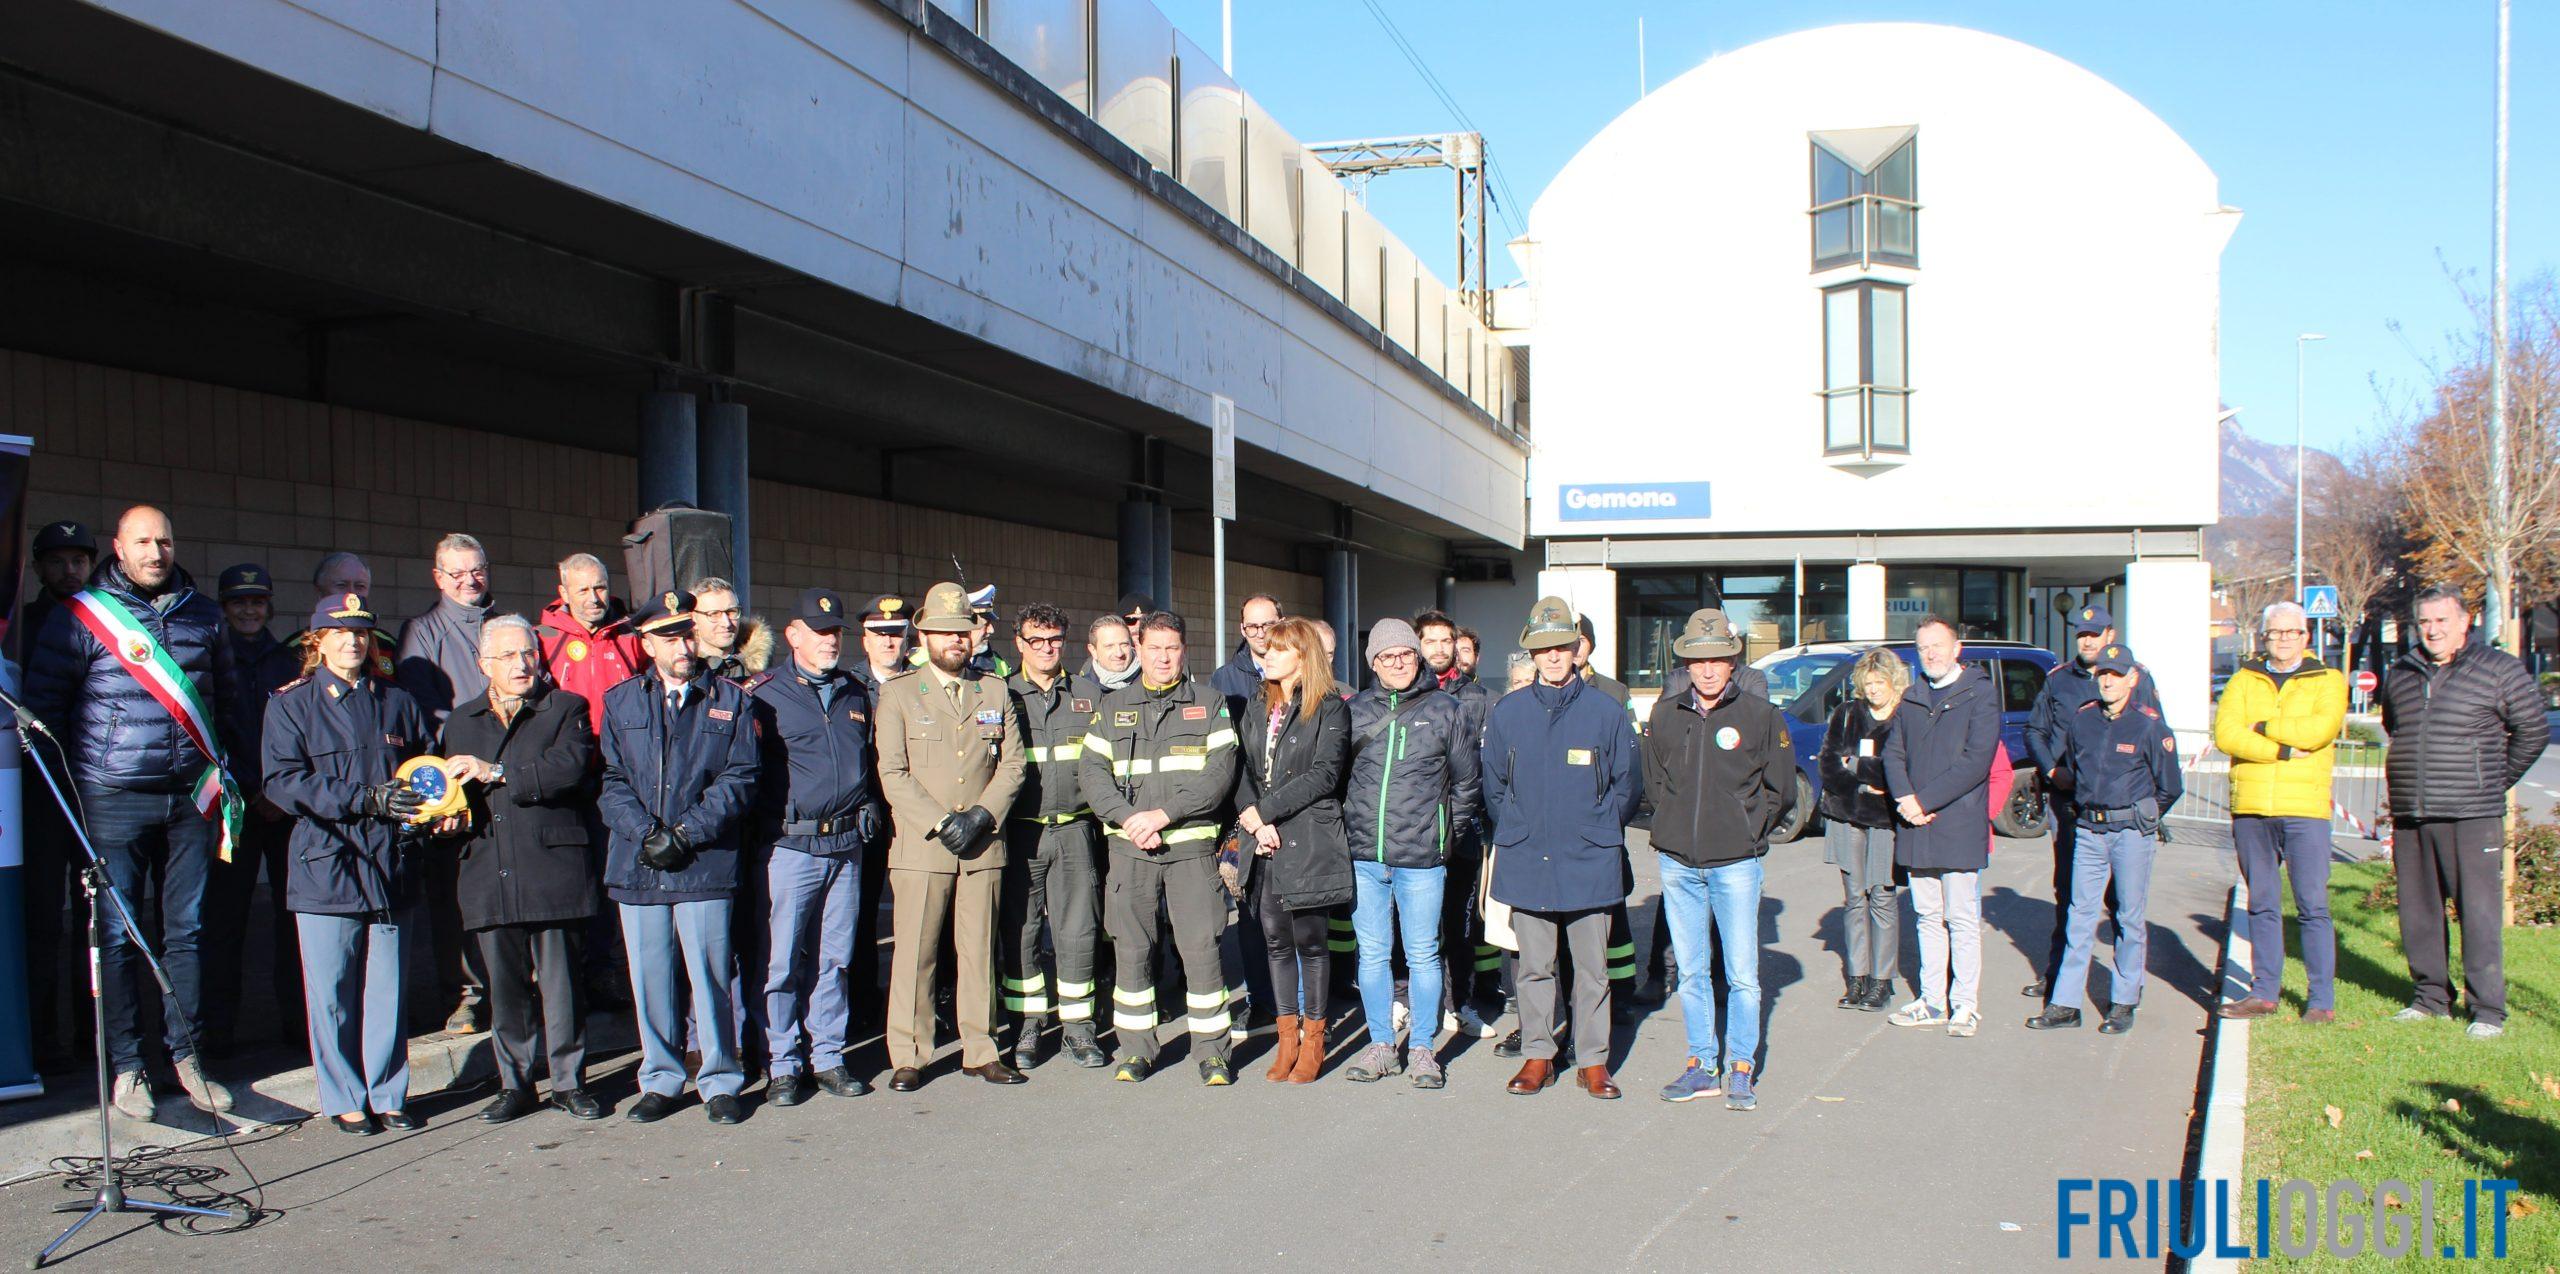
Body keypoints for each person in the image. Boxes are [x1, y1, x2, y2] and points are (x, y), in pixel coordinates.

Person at [24, 505, 235, 1116]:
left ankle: (188, 1057)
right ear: (118, 547)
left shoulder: (204, 614)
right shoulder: (81, 618)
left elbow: (225, 702)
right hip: (111, 797)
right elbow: (45, 716)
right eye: (142, 541)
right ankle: (128, 1067)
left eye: (164, 541)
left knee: (186, 932)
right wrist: (74, 795)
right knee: (116, 936)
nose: (155, 552)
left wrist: (238, 776)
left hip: (191, 797)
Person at [260, 592, 431, 1134]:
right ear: (318, 641)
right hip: (326, 862)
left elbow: (428, 770)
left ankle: (387, 1092)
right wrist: (364, 799)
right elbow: (283, 782)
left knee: (387, 989)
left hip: (389, 863)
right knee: (331, 994)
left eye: (361, 633)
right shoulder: (291, 704)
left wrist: (433, 811)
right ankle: (343, 1097)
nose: (353, 641)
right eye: (340, 632)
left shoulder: (397, 702)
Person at [434, 614, 605, 1123]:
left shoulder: (565, 707)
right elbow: (452, 793)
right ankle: (515, 1084)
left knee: (561, 985)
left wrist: (498, 772)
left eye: (527, 653)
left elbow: (569, 768)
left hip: (550, 865)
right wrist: (448, 817)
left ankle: (570, 1082)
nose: (521, 664)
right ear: (483, 663)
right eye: (507, 656)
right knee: (506, 989)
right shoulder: (461, 722)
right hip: (490, 868)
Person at [597, 589, 759, 1124]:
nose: (683, 645)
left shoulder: (730, 699)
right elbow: (612, 780)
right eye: (669, 636)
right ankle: (661, 1078)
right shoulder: (621, 702)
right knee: (650, 976)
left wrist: (686, 834)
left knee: (711, 976)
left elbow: (740, 778)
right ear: (645, 644)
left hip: (704, 862)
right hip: (639, 862)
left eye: (687, 632)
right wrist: (647, 832)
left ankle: (719, 1079)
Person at [1483, 597, 1642, 1100]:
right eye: (1542, 648)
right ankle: (1538, 1054)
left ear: (1577, 649)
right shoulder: (1508, 712)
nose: (1552, 657)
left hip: (1588, 858)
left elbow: (1627, 786)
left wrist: (1594, 829)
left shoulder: (1606, 711)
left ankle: (1593, 1060)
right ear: (1531, 653)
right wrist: (1519, 827)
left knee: (1592, 970)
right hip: (1528, 855)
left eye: (1561, 647)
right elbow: (1494, 789)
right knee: (1533, 968)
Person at [874, 582, 1028, 1092]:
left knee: (978, 950)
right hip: (924, 846)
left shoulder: (995, 690)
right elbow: (893, 773)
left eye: (962, 631)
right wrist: (944, 823)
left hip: (982, 843)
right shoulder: (897, 694)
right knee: (916, 953)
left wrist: (983, 816)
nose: (954, 640)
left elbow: (1013, 763)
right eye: (943, 632)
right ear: (924, 636)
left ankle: (980, 1049)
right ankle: (910, 1053)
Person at [1078, 610, 1242, 1085]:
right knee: (1132, 949)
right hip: (1131, 851)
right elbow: (1092, 773)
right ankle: (1136, 1050)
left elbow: (1219, 776)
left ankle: (1212, 1052)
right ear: (1139, 649)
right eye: (1154, 648)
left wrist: (1163, 815)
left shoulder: (1210, 704)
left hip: (1190, 851)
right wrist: (1129, 817)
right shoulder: (1113, 708)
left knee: (1201, 949)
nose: (1163, 657)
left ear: (1183, 650)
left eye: (1172, 648)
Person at [2378, 585, 2548, 1039]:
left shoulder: (2499, 670)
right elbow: (2396, 725)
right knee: (2418, 912)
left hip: (2472, 814)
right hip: (2413, 811)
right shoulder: (2403, 672)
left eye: (2442, 621)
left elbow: (2531, 730)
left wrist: (2492, 781)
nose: (2432, 630)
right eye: (2425, 621)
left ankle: (2488, 1009)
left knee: (2478, 912)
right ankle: (2431, 998)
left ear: (2464, 622)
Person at [1644, 608, 1792, 1111]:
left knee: (1743, 974)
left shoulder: (1760, 715)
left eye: (1718, 659)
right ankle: (1701, 1063)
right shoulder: (1664, 715)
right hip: (1679, 864)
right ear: (1684, 664)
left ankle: (1740, 1067)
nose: (1707, 670)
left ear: (1733, 661)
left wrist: (1747, 830)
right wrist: (1674, 825)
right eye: (1697, 660)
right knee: (1690, 971)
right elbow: (1654, 785)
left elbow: (1781, 791)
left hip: (1735, 863)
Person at [746, 588, 884, 1105]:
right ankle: (783, 1062)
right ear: (794, 636)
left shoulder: (853, 691)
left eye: (836, 632)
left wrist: (868, 800)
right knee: (781, 961)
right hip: (791, 847)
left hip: (846, 845)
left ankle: (827, 1055)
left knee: (835, 959)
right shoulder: (763, 693)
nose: (831, 641)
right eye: (820, 632)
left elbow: (864, 762)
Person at [1338, 618, 1478, 1088]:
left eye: (1404, 654)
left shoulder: (1446, 709)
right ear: (1372, 663)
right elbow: (1338, 782)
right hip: (1365, 856)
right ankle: (1381, 1044)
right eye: (1386, 656)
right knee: (1373, 955)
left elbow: (1466, 784)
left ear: (1416, 657)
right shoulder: (1354, 710)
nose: (1397, 662)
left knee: (1422, 954)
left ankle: (1422, 1049)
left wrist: (1445, 837)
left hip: (1422, 858)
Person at [2027, 642, 2181, 1035]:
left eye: (2116, 674)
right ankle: (2065, 1003)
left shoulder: (2149, 726)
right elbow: (2073, 768)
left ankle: (2123, 1001)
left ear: (2132, 679)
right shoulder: (2084, 720)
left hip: (2130, 832)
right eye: (2103, 674)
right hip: (2089, 831)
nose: (2108, 681)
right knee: (2079, 915)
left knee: (2128, 916)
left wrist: (2142, 817)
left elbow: (2169, 787)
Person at [1230, 617, 1353, 1084]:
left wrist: (1265, 812)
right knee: (1276, 941)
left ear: (1303, 656)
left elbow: (1324, 774)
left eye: (1278, 650)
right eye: (1266, 650)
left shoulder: (1330, 708)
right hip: (1262, 839)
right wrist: (1252, 818)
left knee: (1311, 943)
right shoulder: (1259, 705)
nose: (1266, 656)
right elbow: (1238, 766)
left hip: (1307, 838)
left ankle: (1314, 1042)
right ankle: (1286, 1040)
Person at [2211, 602, 2347, 1024]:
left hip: (2304, 810)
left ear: (2306, 637)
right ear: (2263, 636)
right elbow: (2226, 734)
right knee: (2262, 904)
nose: (2284, 639)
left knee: (2313, 906)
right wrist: (2285, 749)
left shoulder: (2328, 679)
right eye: (2276, 632)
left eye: (2293, 632)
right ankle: (2264, 992)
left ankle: (2321, 1001)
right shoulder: (2243, 680)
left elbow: (2319, 732)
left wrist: (2263, 727)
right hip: (2251, 808)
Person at [395, 532, 499, 1037]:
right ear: (438, 577)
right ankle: (465, 995)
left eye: (475, 569)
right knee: (453, 899)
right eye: (456, 573)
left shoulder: (505, 626)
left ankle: (514, 988)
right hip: (454, 786)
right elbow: (423, 720)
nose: (468, 580)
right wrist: (444, 794)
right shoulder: (423, 631)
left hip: (503, 778)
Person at [1001, 603, 1109, 1070]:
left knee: (1078, 933)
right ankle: (1027, 1027)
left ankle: (1079, 1029)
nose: (1047, 649)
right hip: (1020, 834)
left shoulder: (1089, 693)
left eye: (1055, 640)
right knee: (1021, 933)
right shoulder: (1000, 694)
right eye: (1036, 641)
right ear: (1019, 644)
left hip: (1076, 830)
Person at [1884, 617, 2001, 1037]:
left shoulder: (1980, 694)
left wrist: (1923, 801)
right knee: (1927, 916)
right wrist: (1906, 801)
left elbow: (1976, 761)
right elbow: (1892, 755)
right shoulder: (1912, 698)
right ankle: (1932, 1000)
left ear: (1957, 648)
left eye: (1937, 645)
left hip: (1958, 821)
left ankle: (1965, 1003)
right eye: (1922, 647)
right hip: (1917, 825)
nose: (1930, 653)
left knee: (1962, 918)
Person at [200, 563, 297, 1057]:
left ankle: (298, 1025)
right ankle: (218, 1032)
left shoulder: (291, 660)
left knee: (292, 916)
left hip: (285, 809)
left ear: (269, 606)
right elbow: (211, 731)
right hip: (235, 807)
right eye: (239, 602)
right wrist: (251, 787)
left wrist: (278, 790)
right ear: (224, 607)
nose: (249, 610)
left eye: (257, 601)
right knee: (225, 920)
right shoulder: (213, 658)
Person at [13, 520, 95, 1066]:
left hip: (94, 787)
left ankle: (94, 1040)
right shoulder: (20, 625)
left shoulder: (110, 621)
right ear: (39, 568)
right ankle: (40, 1038)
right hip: (39, 789)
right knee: (42, 918)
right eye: (58, 561)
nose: (69, 570)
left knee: (96, 917)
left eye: (79, 560)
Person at [1413, 610, 1499, 1033]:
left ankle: (1459, 1003)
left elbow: (1483, 767)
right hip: (1415, 831)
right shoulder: (1409, 696)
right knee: (1413, 925)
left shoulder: (1479, 699)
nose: (1440, 648)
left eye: (1447, 640)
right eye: (1430, 641)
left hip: (1462, 830)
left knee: (1460, 924)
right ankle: (1407, 1000)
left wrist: (1466, 820)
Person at [1818, 647, 1908, 1014]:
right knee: (1854, 897)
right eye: (1867, 683)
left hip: (1886, 819)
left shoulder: (1904, 716)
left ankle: (1881, 981)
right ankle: (1857, 977)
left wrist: (1854, 764)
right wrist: (1863, 774)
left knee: (1882, 897)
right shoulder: (1846, 713)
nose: (1872, 690)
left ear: (1893, 681)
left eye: (1879, 683)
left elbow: (1898, 771)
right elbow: (1827, 763)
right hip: (1845, 813)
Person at [538, 553, 644, 736]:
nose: (594, 598)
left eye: (600, 588)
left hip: (623, 749)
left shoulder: (632, 635)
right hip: (569, 749)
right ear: (564, 593)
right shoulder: (543, 639)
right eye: (583, 590)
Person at [1210, 593, 1282, 715]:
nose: (1261, 634)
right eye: (1252, 627)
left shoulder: (1300, 674)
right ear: (1243, 629)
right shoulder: (1223, 678)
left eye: (1268, 625)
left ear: (1282, 624)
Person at [691, 576, 772, 684]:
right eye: (714, 614)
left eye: (731, 612)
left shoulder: (763, 672)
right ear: (693, 619)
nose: (726, 623)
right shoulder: (684, 672)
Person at [850, 593, 912, 697]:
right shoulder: (850, 686)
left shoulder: (924, 683)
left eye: (895, 635)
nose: (888, 643)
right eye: (880, 636)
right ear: (866, 643)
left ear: (906, 643)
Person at [1078, 612, 1138, 697]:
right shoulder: (1081, 690)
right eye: (1109, 646)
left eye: (1124, 644)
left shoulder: (1150, 682)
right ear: (1093, 651)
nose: (1119, 653)